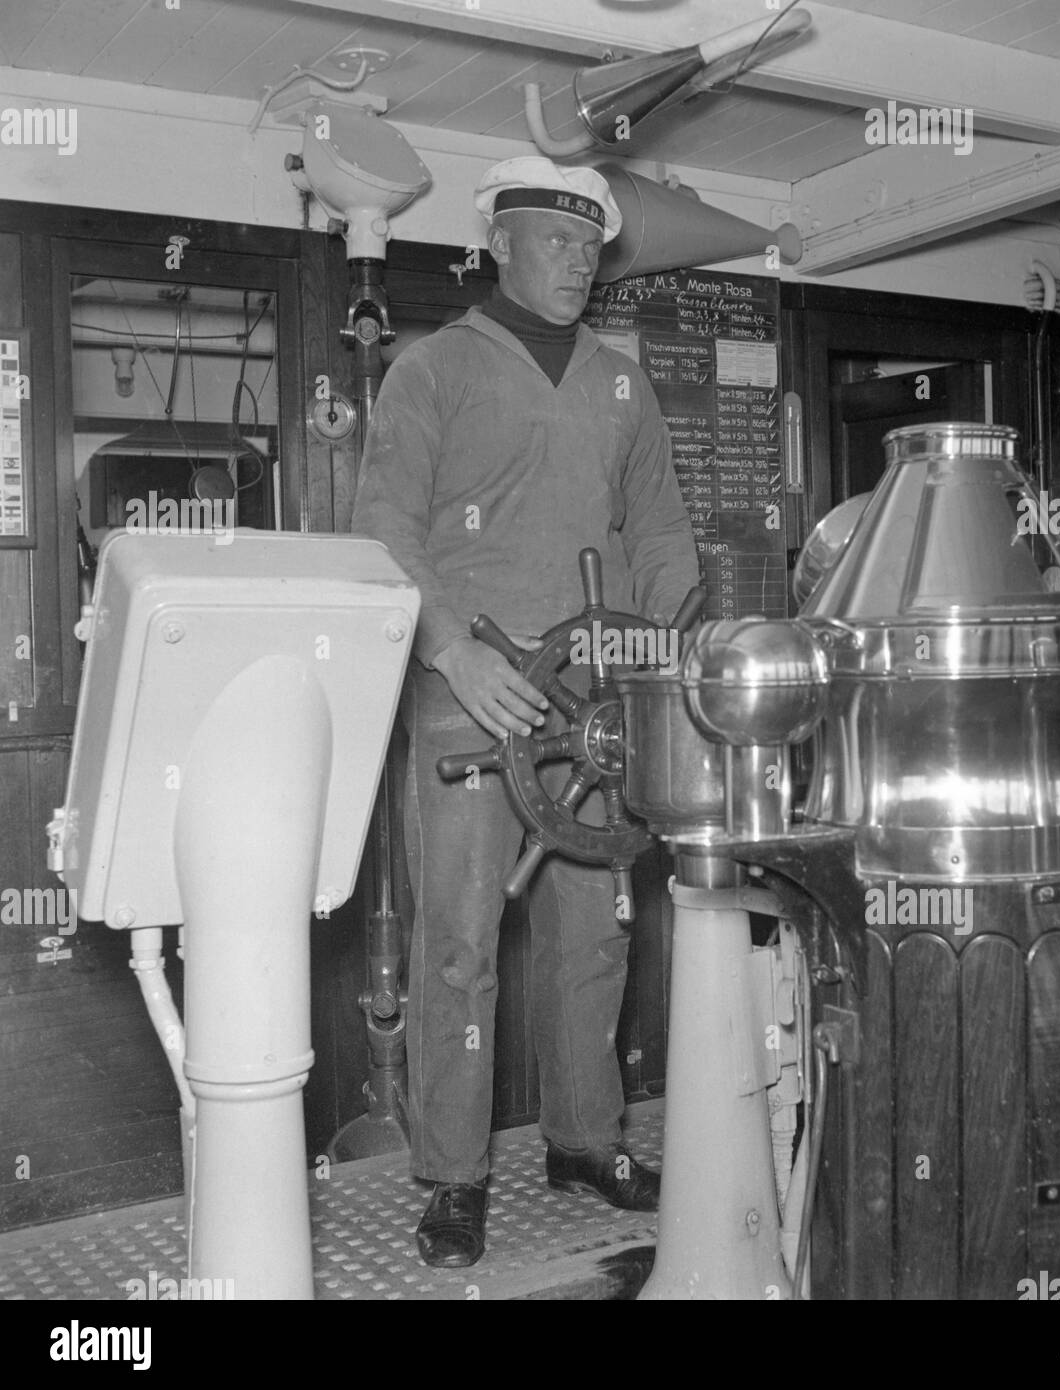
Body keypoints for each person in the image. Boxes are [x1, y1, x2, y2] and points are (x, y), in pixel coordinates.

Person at [350, 156, 700, 1268]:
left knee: (595, 938)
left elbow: (658, 535)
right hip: (472, 704)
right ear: (497, 242)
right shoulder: (431, 370)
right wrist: (450, 650)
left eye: (592, 245)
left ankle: (584, 1140)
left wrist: (669, 651)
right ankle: (453, 1176)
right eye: (557, 240)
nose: (579, 260)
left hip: (593, 711)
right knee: (460, 948)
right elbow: (384, 534)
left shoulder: (620, 382)